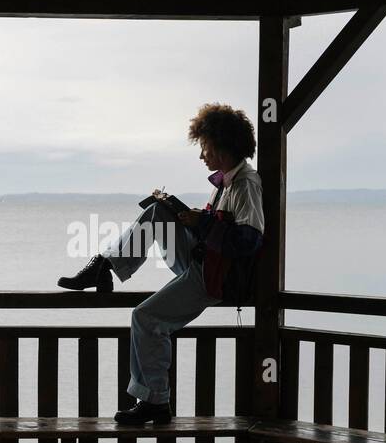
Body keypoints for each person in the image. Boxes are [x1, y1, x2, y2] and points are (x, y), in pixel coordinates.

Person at [57, 103, 265, 424]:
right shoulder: (226, 182)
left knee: (146, 317)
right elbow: (223, 228)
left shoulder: (245, 184)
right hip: (203, 260)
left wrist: (201, 224)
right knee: (158, 213)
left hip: (215, 275)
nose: (202, 156)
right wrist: (188, 216)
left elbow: (248, 242)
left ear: (221, 145)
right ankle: (105, 266)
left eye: (205, 147)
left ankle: (155, 400)